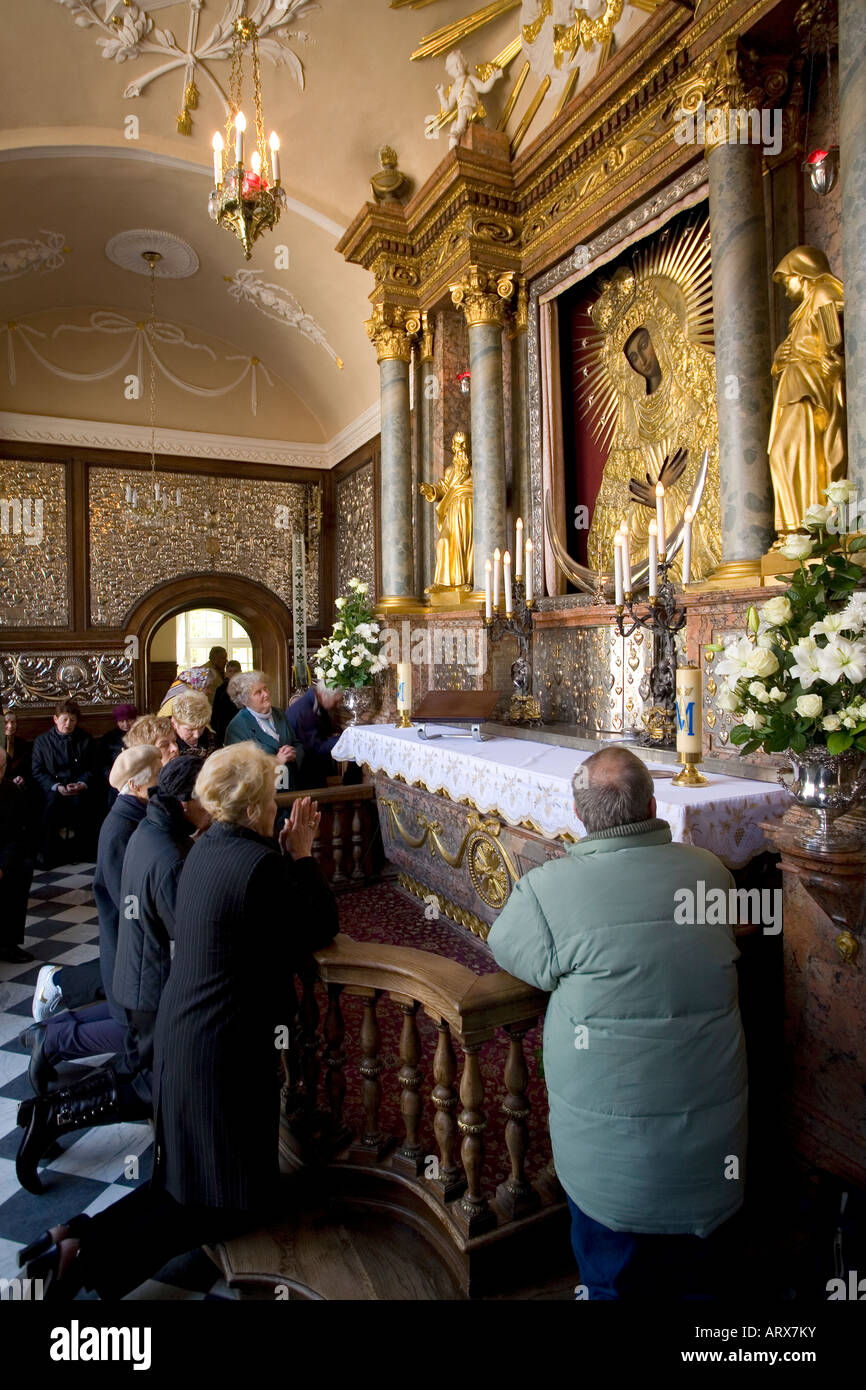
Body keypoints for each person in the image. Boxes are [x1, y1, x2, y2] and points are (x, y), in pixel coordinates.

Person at [18, 744, 338, 1298]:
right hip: (222, 1048)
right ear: (259, 802)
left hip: (186, 1030)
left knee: (188, 1183)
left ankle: (72, 1238)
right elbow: (317, 925)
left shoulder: (207, 844)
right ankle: (84, 1256)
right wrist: (303, 855)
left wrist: (283, 856)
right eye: (272, 794)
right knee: (220, 1207)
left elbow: (253, 918)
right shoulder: (257, 863)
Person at [487, 746, 747, 1301]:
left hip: (612, 1178)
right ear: (654, 804)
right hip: (712, 1164)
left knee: (614, 1285)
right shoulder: (709, 873)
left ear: (579, 815)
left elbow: (509, 949)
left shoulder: (547, 890)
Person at [15, 754, 210, 1191]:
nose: (212, 809)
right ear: (184, 802)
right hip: (151, 982)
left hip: (139, 974)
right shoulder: (162, 849)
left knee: (134, 1071)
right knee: (146, 1084)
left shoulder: (150, 827)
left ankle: (46, 1109)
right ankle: (51, 1117)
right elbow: (185, 929)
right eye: (207, 801)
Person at [19, 746, 163, 1121]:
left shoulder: (132, 815)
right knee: (133, 1032)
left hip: (129, 943)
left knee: (125, 1020)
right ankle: (53, 1042)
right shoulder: (120, 827)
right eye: (156, 776)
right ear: (136, 783)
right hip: (126, 942)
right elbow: (124, 897)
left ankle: (48, 1032)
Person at [31, 699, 98, 866]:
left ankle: (82, 852)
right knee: (51, 806)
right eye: (64, 720)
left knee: (84, 804)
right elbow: (38, 771)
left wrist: (81, 783)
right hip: (53, 787)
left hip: (78, 786)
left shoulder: (85, 739)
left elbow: (92, 768)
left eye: (73, 720)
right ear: (55, 719)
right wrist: (56, 787)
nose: (68, 724)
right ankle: (49, 855)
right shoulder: (42, 741)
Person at [224, 671, 304, 790]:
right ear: (245, 701)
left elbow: (296, 743)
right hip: (263, 794)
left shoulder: (279, 714)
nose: (266, 694)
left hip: (291, 788)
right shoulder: (237, 727)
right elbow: (239, 770)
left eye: (265, 688)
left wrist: (294, 754)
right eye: (258, 692)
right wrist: (276, 761)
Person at [0, 748, 36, 964]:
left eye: (2, 767)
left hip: (6, 852)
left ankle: (8, 943)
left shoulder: (10, 791)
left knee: (22, 868)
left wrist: (3, 865)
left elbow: (19, 833)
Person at [287, 680, 345, 789]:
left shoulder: (313, 703)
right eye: (336, 701)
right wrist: (345, 739)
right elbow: (315, 748)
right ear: (324, 695)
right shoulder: (304, 711)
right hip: (304, 774)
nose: (337, 705)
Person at [99, 703, 138, 808]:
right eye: (121, 721)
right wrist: (114, 777)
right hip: (116, 779)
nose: (125, 724)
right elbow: (103, 763)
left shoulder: (142, 734)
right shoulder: (108, 739)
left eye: (129, 720)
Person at [211, 658, 241, 746]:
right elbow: (215, 710)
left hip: (239, 722)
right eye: (230, 671)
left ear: (240, 672)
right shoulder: (221, 689)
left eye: (235, 671)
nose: (233, 674)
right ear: (226, 673)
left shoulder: (244, 688)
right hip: (224, 725)